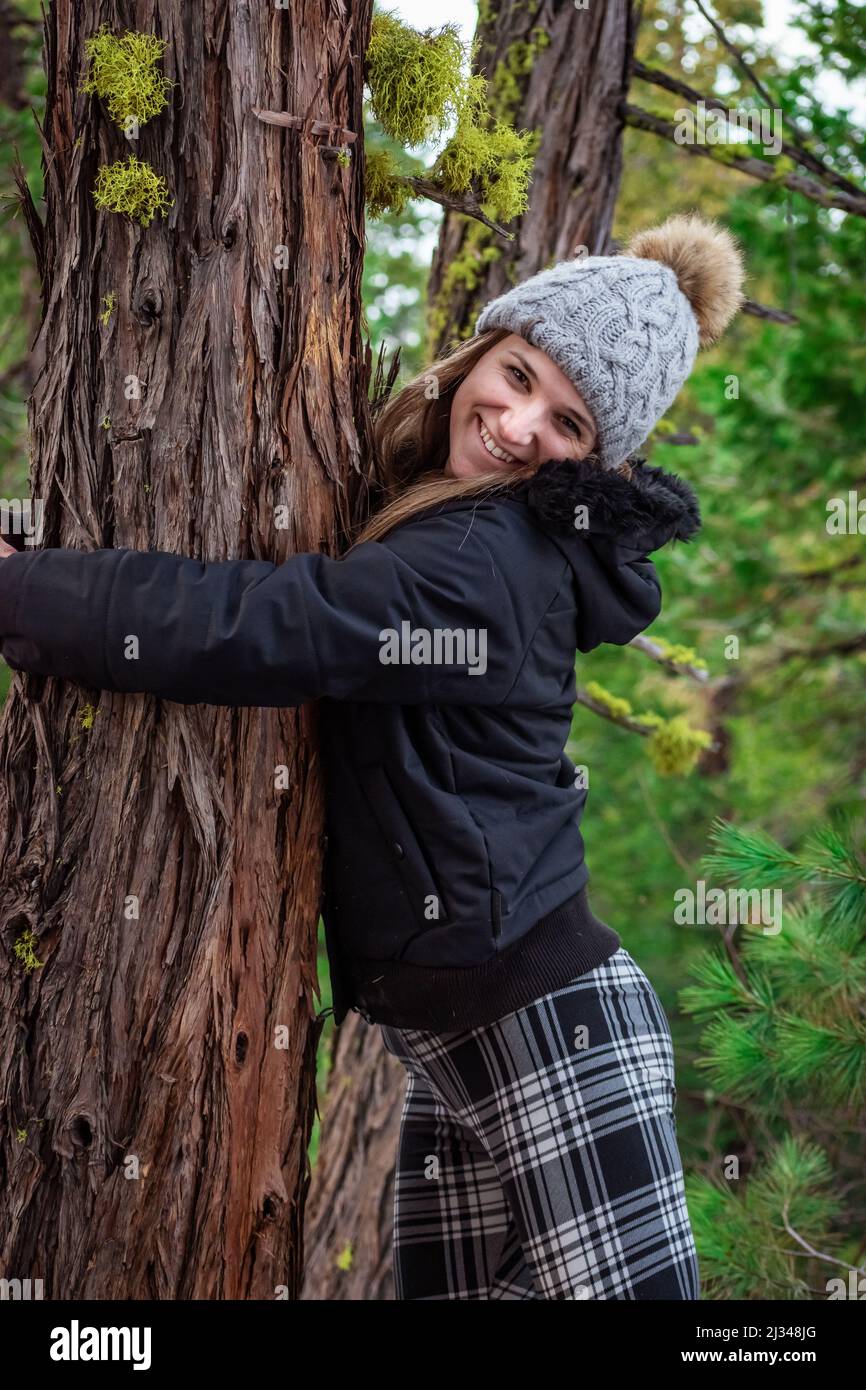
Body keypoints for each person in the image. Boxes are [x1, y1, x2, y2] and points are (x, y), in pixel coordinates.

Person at [0, 212, 745, 1300]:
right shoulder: (445, 513)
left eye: (567, 422)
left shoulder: (487, 555)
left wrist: (22, 590)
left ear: (593, 461)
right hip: (462, 1034)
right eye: (518, 372)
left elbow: (266, 624)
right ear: (485, 347)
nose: (517, 422)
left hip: (545, 1023)